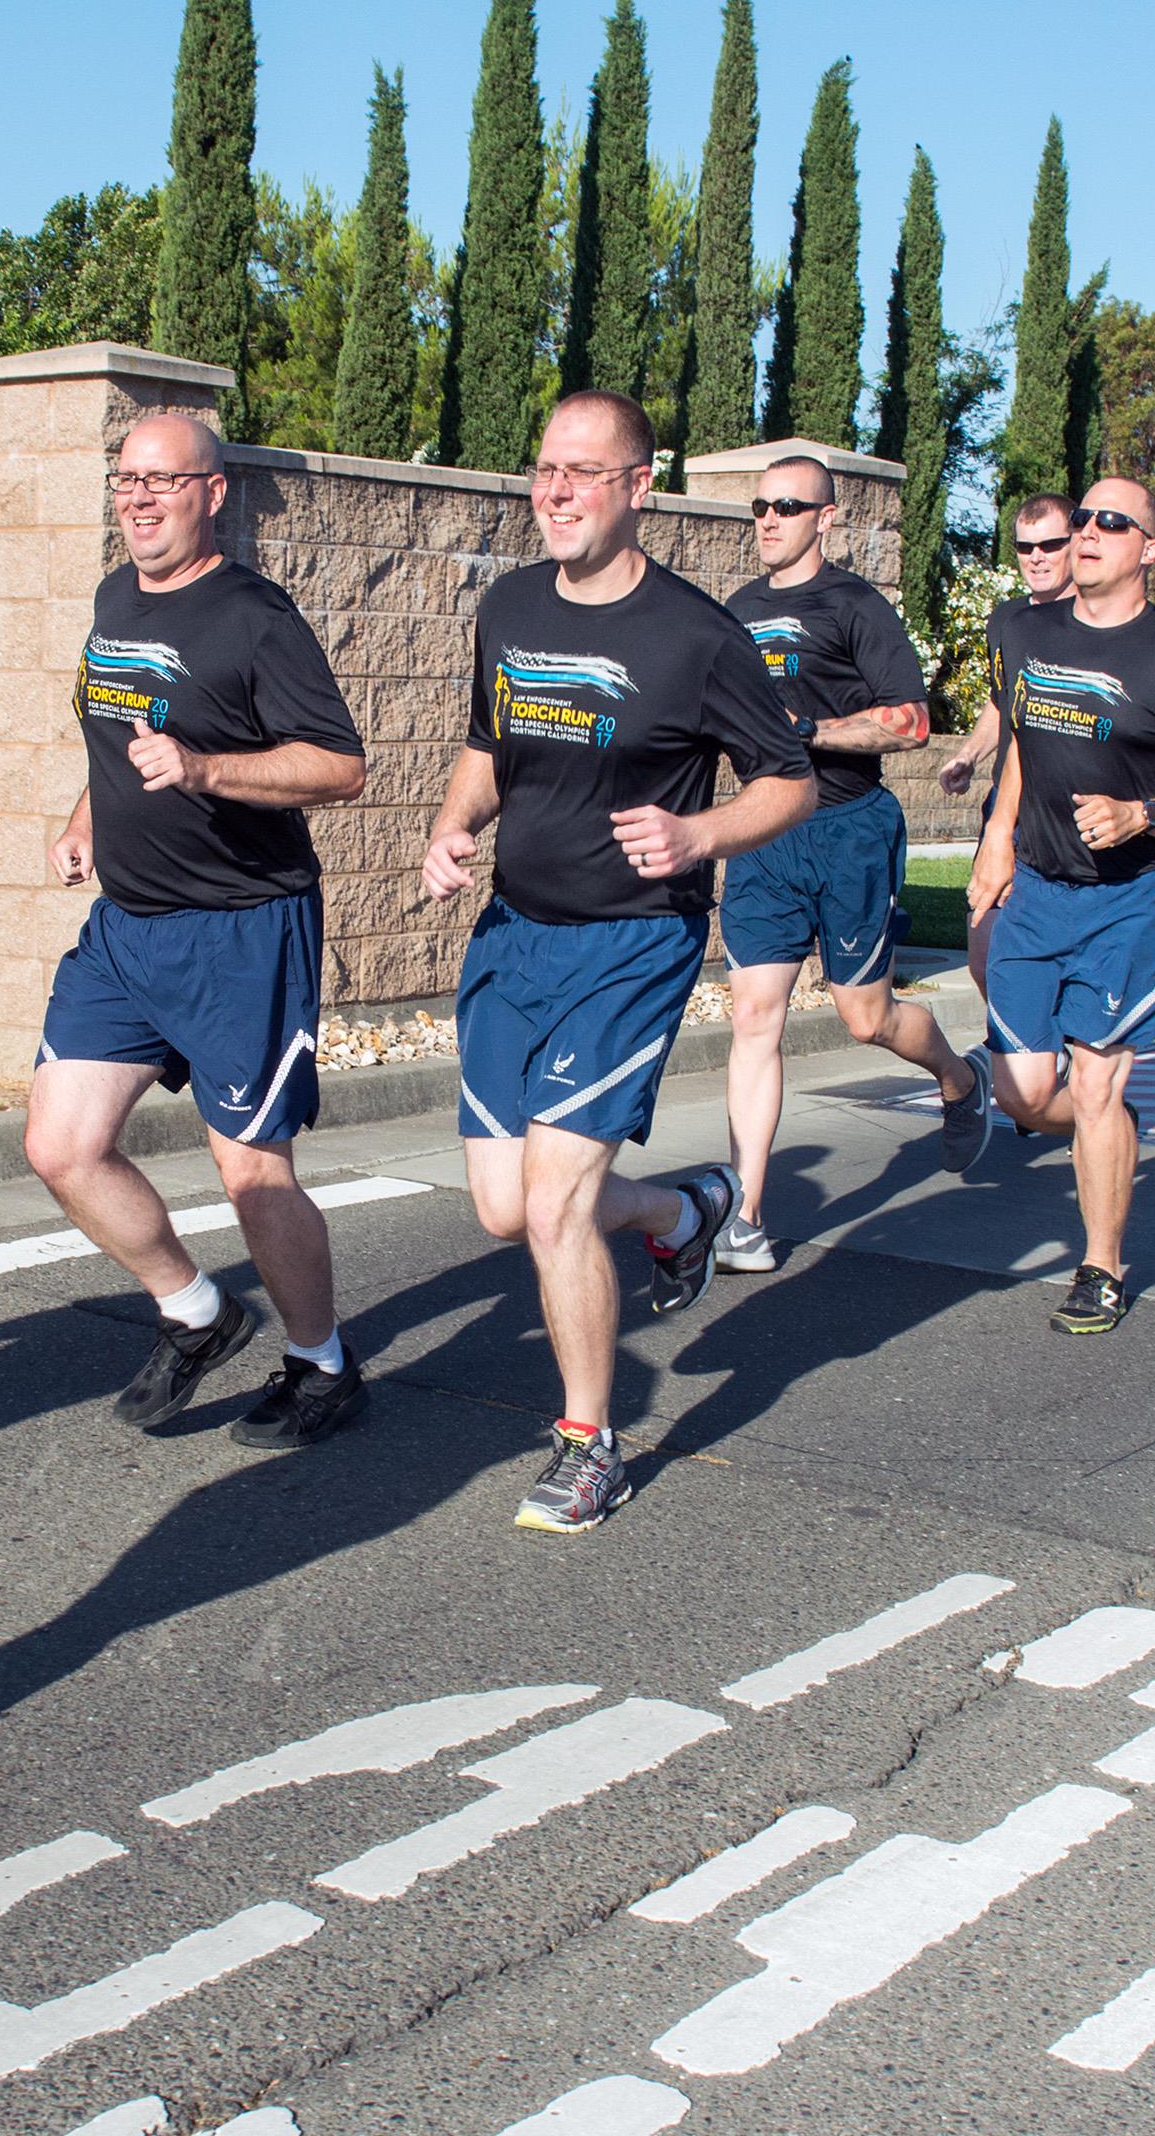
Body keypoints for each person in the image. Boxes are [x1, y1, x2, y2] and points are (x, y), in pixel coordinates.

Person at [421, 391, 814, 1533]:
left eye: (583, 473)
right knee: (504, 1207)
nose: (555, 492)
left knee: (553, 1205)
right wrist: (456, 826)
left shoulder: (697, 638)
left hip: (633, 946)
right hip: (515, 935)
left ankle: (587, 1443)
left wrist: (700, 836)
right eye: (545, 468)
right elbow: (489, 746)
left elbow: (787, 779)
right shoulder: (507, 606)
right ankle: (679, 1212)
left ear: (639, 488)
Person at [27, 411, 371, 1450]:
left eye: (160, 482)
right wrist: (86, 817)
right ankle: (196, 1311)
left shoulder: (254, 618)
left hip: (241, 933)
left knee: (253, 1174)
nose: (137, 499)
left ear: (212, 493)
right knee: (60, 1145)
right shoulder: (114, 596)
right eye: (124, 480)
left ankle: (320, 1364)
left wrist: (209, 769)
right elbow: (108, 725)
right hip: (128, 927)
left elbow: (342, 766)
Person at [969, 476, 1155, 1334]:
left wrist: (1147, 815)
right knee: (1022, 1093)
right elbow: (1024, 732)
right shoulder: (1025, 628)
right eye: (1084, 517)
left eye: (1111, 522)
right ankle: (1110, 1126)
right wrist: (997, 835)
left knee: (1093, 1083)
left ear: (1150, 550)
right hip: (1039, 887)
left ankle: (1101, 1265)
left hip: (1135, 898)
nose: (1087, 531)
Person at [716, 453, 993, 1270]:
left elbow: (910, 722)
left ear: (826, 517)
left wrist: (814, 733)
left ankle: (959, 1079)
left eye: (788, 506)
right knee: (753, 1018)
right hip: (766, 833)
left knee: (863, 1017)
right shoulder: (734, 611)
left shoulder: (855, 605)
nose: (769, 518)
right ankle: (745, 1215)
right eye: (760, 505)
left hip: (849, 829)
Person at [938, 494, 1078, 1000]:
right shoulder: (1008, 621)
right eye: (1024, 547)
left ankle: (1050, 1055)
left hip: (1072, 807)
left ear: (1076, 543)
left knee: (1061, 950)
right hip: (1008, 805)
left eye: (1049, 544)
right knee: (985, 949)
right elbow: (1002, 703)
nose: (1036, 556)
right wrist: (968, 755)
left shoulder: (1093, 620)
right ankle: (1030, 1054)